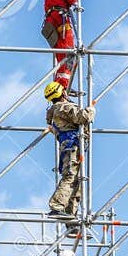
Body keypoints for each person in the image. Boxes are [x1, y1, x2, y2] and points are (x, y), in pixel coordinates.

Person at [44, 82, 95, 221]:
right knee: (70, 177)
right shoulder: (63, 107)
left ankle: (70, 216)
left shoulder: (54, 112)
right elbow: (83, 117)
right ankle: (56, 206)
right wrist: (91, 110)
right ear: (62, 94)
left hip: (72, 146)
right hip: (72, 146)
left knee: (77, 181)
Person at [42, 0, 79, 91]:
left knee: (62, 57)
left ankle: (61, 85)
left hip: (52, 21)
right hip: (60, 19)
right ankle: (63, 86)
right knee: (70, 54)